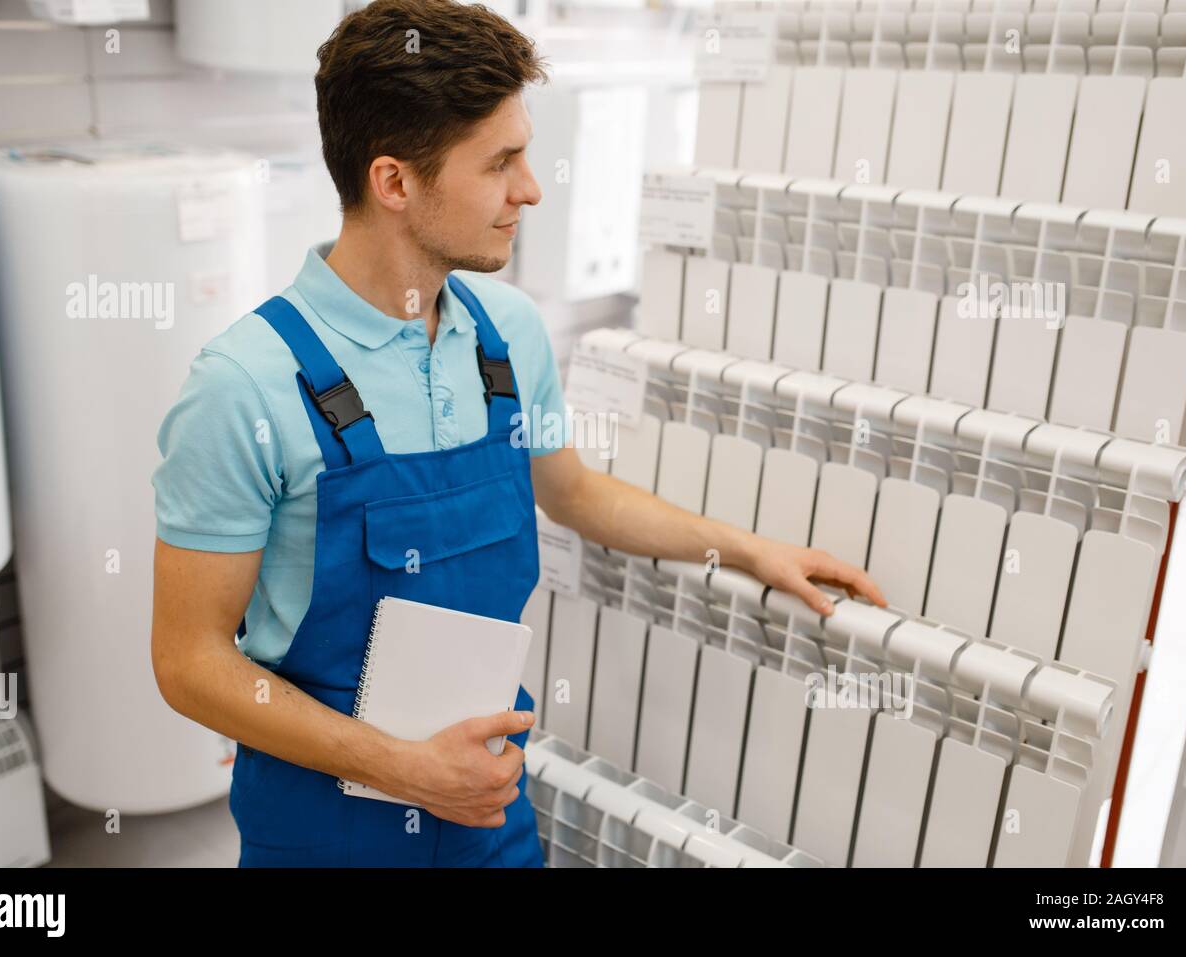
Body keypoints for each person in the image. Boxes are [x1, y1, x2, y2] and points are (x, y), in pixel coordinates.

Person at [150, 0, 886, 868]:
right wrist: (407, 769)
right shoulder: (244, 386)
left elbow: (570, 490)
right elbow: (189, 661)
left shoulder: (508, 334)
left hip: (487, 818)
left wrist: (748, 550)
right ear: (394, 182)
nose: (530, 188)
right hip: (323, 837)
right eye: (501, 163)